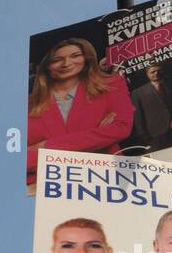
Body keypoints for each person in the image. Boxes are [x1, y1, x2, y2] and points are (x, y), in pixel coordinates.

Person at [27, 39, 133, 186]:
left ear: (86, 58)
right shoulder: (27, 104)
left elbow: (121, 128)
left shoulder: (112, 84)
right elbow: (19, 161)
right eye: (57, 59)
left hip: (107, 177)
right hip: (45, 184)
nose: (66, 64)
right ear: (45, 65)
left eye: (75, 56)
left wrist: (45, 146)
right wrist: (96, 135)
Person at [130, 61, 172, 153]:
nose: (156, 73)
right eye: (152, 72)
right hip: (155, 135)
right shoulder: (138, 93)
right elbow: (138, 117)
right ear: (147, 74)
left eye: (158, 71)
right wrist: (145, 137)